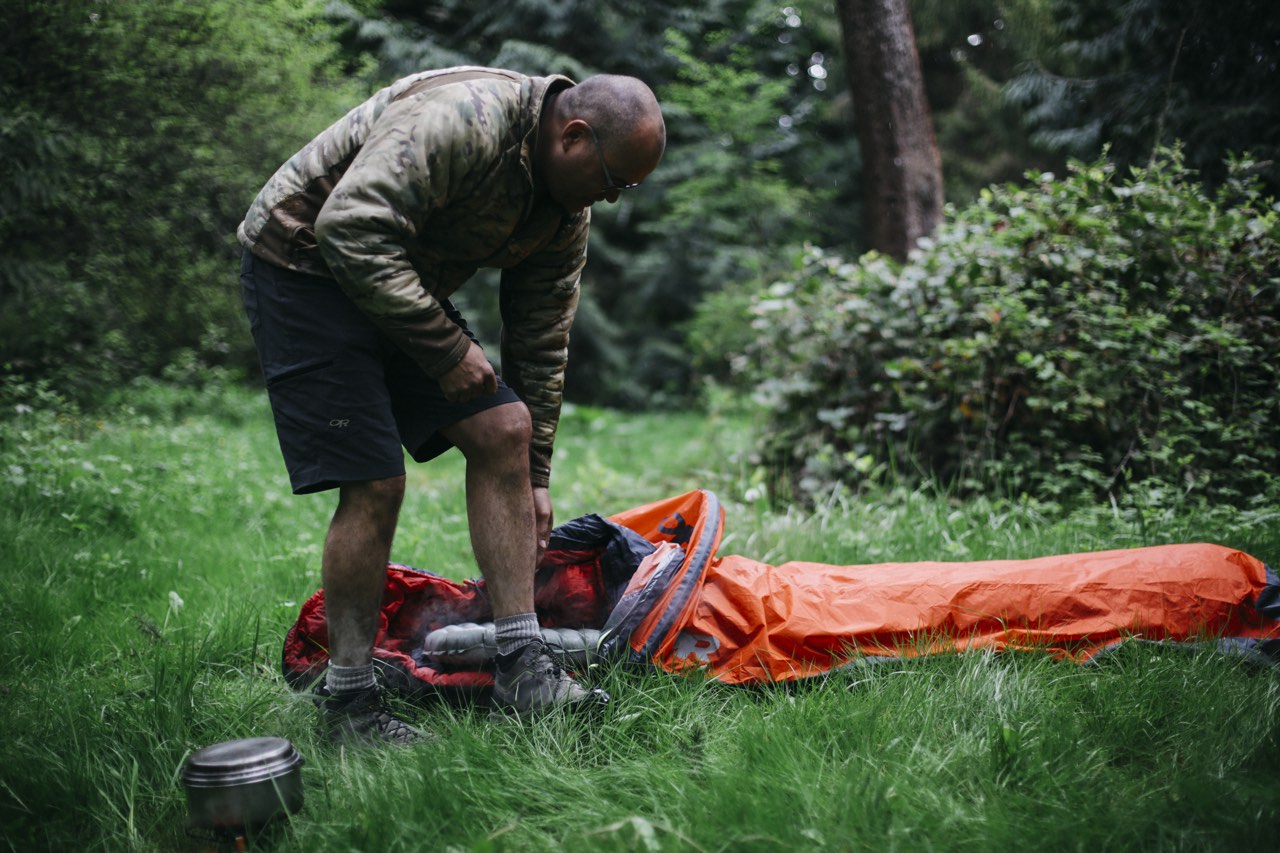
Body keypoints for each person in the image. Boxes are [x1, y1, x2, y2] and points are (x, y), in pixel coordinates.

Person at [237, 66, 666, 744]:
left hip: (393, 279)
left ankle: (524, 666)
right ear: (575, 136)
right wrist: (445, 350)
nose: (612, 200)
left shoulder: (565, 213)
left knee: (505, 428)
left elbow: (541, 337)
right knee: (375, 481)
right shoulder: (465, 119)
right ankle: (347, 704)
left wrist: (537, 473)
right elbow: (347, 228)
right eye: (614, 180)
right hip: (304, 262)